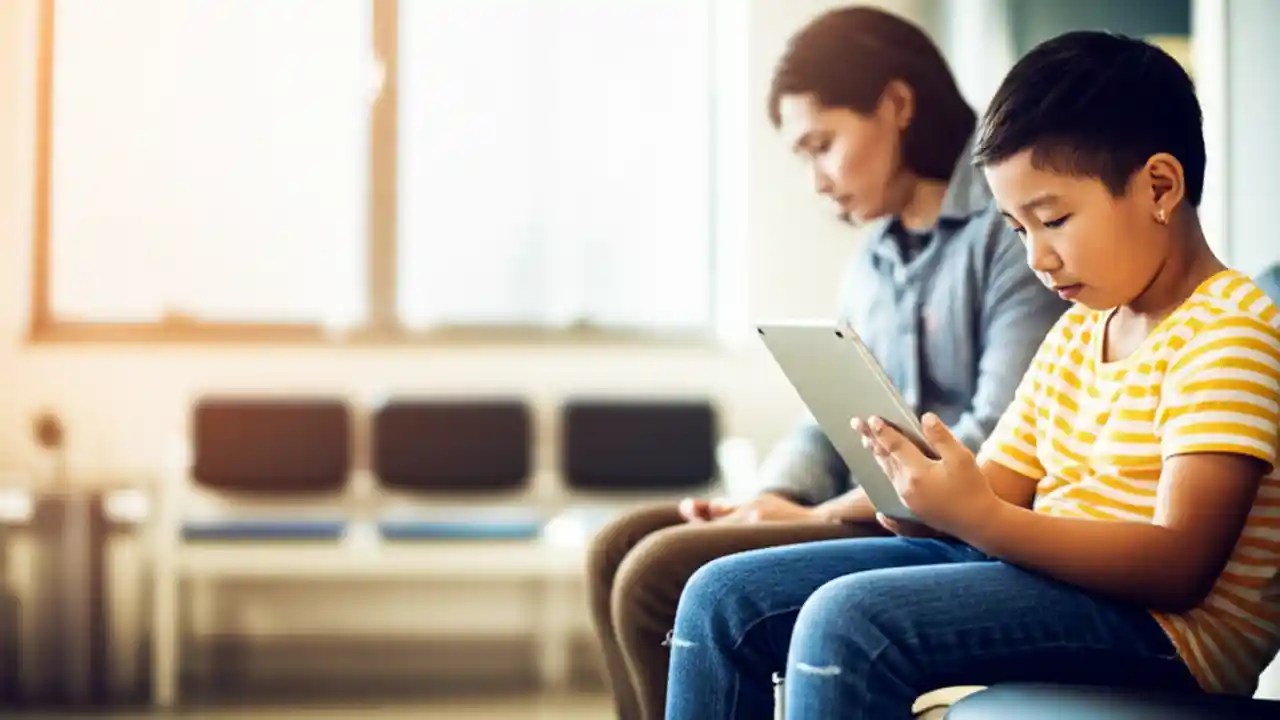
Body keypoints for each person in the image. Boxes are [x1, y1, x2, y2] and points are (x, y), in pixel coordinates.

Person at [664, 30, 1280, 720]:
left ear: (1160, 186)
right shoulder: (1081, 329)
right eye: (1018, 230)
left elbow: (1179, 566)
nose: (1037, 259)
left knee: (850, 622)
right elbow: (998, 483)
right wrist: (920, 492)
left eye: (1053, 220)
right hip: (1048, 578)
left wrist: (978, 517)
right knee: (722, 597)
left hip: (1168, 634)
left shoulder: (1232, 329)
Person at [585, 8, 1066, 719]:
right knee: (617, 546)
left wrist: (809, 513)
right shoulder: (873, 258)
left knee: (657, 573)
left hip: (946, 519)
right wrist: (762, 500)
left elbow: (992, 441)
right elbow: (826, 424)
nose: (816, 180)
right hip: (869, 505)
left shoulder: (1011, 238)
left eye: (823, 145)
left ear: (897, 106)